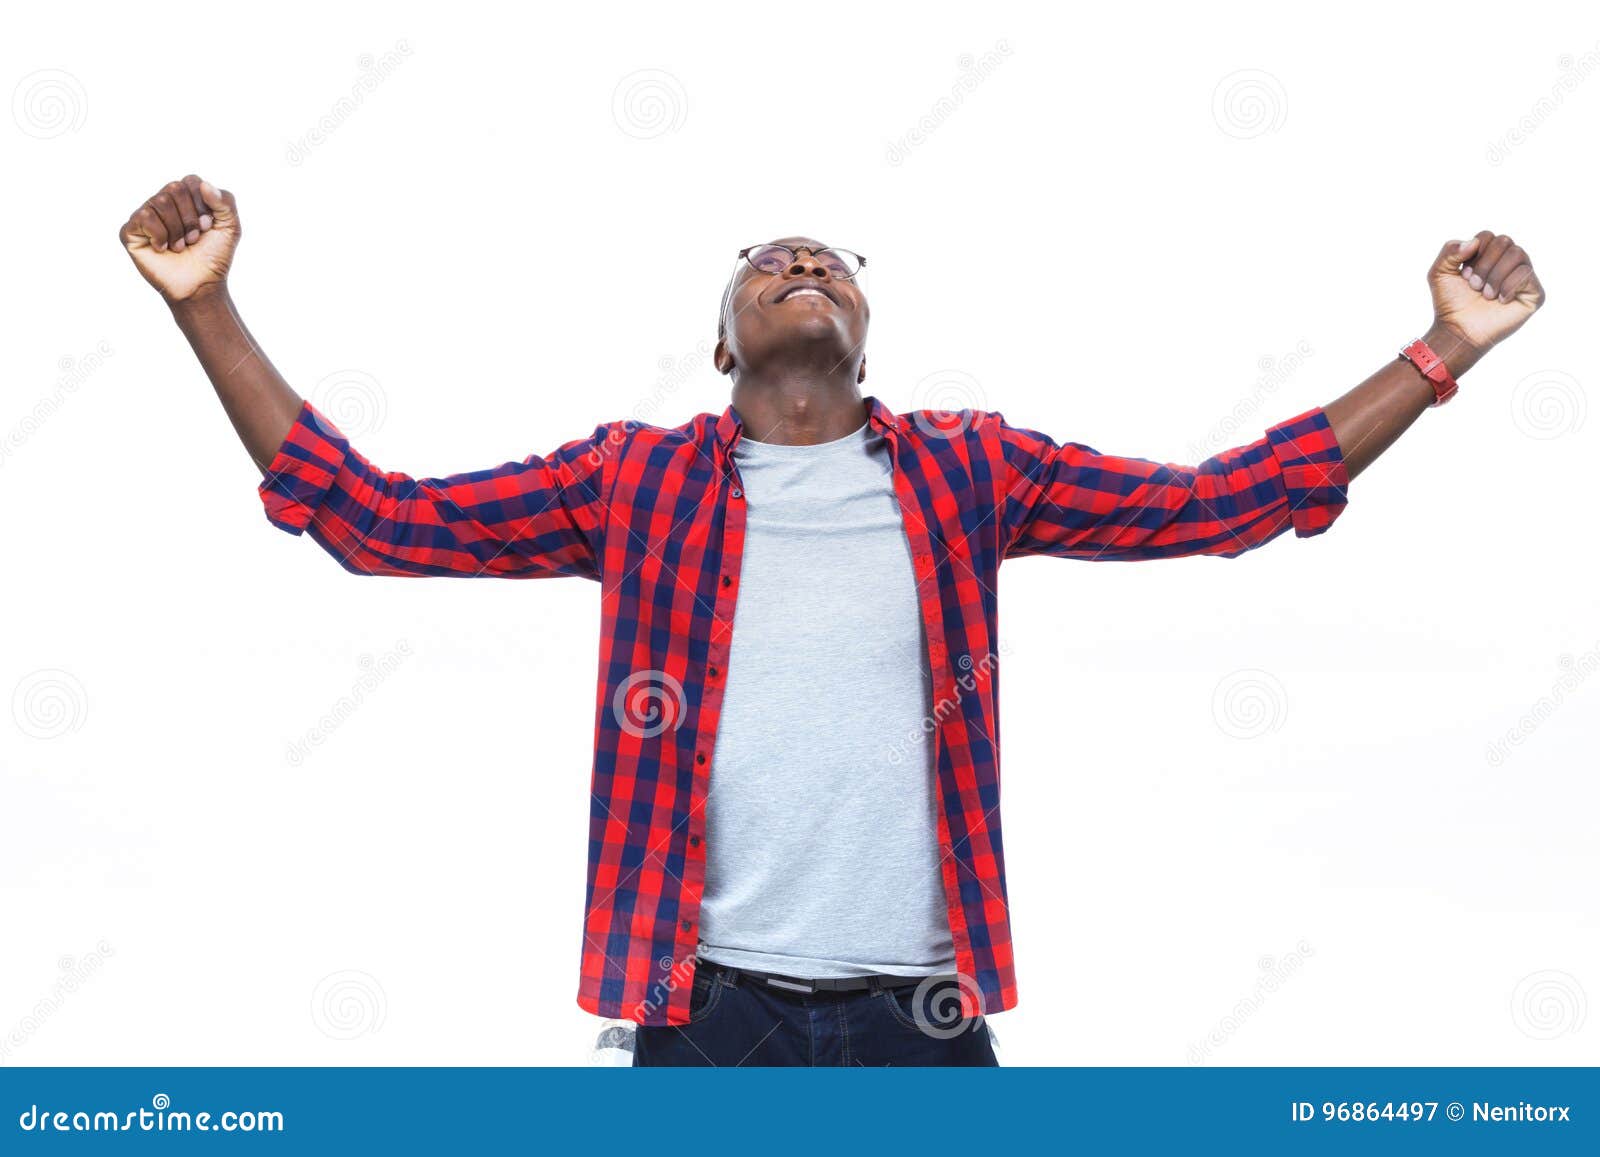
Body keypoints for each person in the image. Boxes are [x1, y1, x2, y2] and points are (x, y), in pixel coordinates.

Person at [120, 174, 1545, 1066]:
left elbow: (1226, 499)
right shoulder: (635, 481)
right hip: (703, 1014)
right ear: (724, 345)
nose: (804, 262)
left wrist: (1439, 354)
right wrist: (209, 309)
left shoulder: (973, 469)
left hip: (925, 1015)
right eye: (768, 260)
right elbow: (378, 520)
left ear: (868, 333)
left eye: (833, 260)